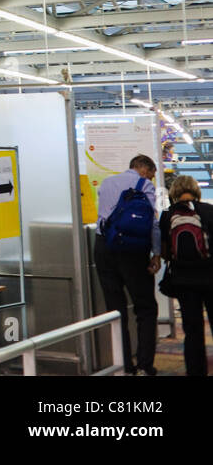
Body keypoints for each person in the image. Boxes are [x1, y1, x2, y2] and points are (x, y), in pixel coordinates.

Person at [95, 154, 161, 376]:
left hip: (103, 247)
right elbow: (152, 223)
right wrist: (156, 253)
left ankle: (124, 366)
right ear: (144, 169)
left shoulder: (106, 182)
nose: (151, 178)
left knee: (116, 310)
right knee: (146, 308)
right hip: (133, 252)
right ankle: (144, 365)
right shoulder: (145, 185)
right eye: (152, 174)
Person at [159, 174, 213, 376]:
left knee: (192, 330)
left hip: (183, 279)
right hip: (210, 275)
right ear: (195, 190)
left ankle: (195, 371)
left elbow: (165, 250)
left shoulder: (167, 213)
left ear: (174, 192)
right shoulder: (208, 210)